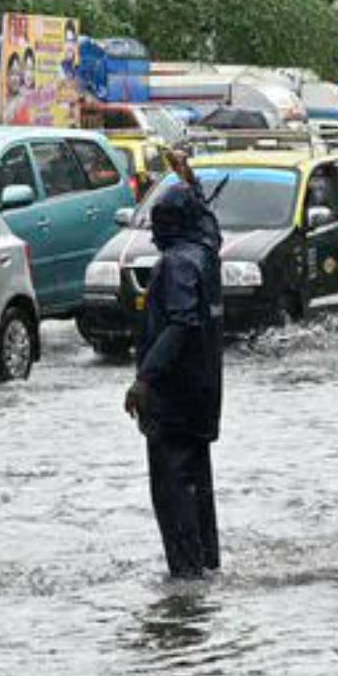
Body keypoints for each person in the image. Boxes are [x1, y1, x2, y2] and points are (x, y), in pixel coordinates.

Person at [124, 177, 224, 579]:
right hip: (204, 395)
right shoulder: (206, 255)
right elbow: (211, 228)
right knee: (199, 484)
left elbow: (181, 323)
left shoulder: (178, 264)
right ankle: (206, 564)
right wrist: (192, 184)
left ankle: (186, 576)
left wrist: (144, 379)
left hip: (174, 399)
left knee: (173, 489)